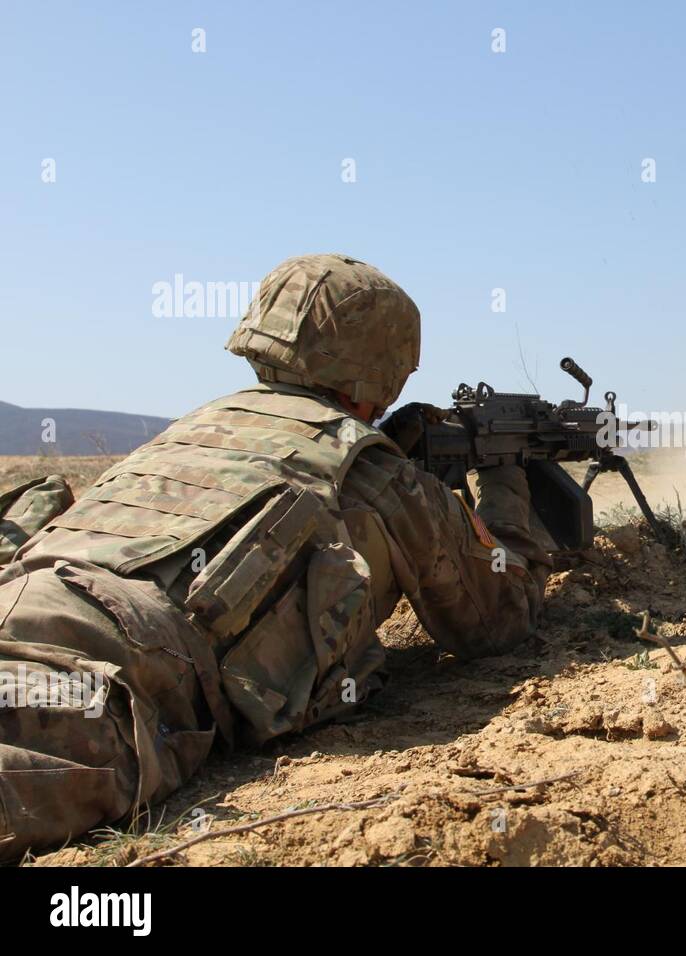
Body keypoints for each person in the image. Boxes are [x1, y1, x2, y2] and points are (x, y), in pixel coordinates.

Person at [0, 253, 551, 860]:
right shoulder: (372, 472)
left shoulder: (196, 425)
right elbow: (499, 618)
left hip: (27, 595)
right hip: (111, 666)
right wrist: (506, 486)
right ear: (389, 368)